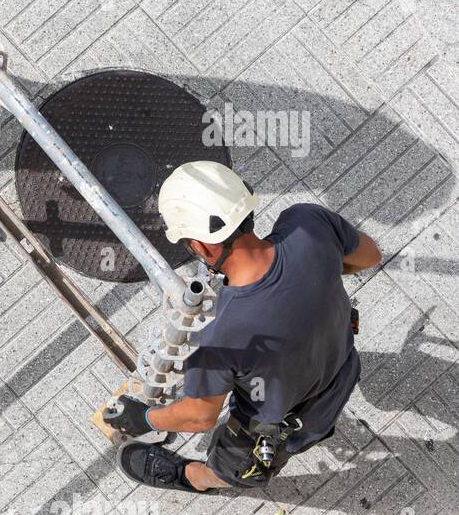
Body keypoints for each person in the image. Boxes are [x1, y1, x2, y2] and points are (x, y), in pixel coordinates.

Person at [104, 161, 382, 492]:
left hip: (274, 427)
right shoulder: (309, 223)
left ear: (202, 247)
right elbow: (370, 256)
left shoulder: (219, 336)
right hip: (341, 376)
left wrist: (144, 419)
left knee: (230, 469)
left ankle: (195, 478)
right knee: (310, 422)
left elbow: (200, 417)